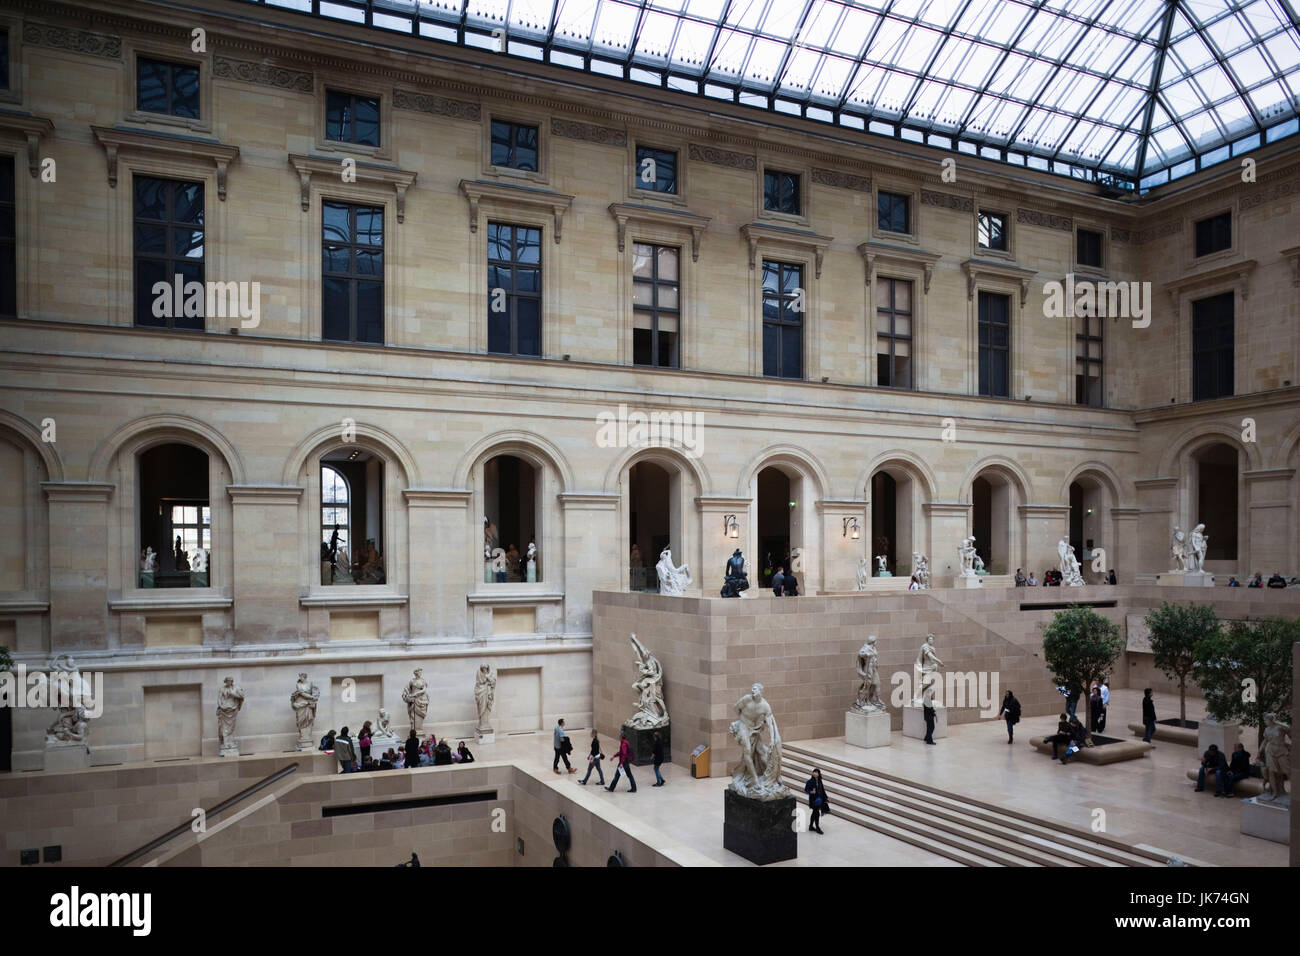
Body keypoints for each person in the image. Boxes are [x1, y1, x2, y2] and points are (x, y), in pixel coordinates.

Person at [804, 768, 829, 834]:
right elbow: (806, 789)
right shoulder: (809, 781)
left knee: (814, 813)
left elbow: (823, 790)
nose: (815, 773)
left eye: (816, 772)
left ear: (818, 774)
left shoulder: (820, 781)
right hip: (813, 800)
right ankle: (817, 827)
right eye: (814, 772)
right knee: (816, 813)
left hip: (820, 799)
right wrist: (811, 791)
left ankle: (811, 826)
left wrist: (826, 797)